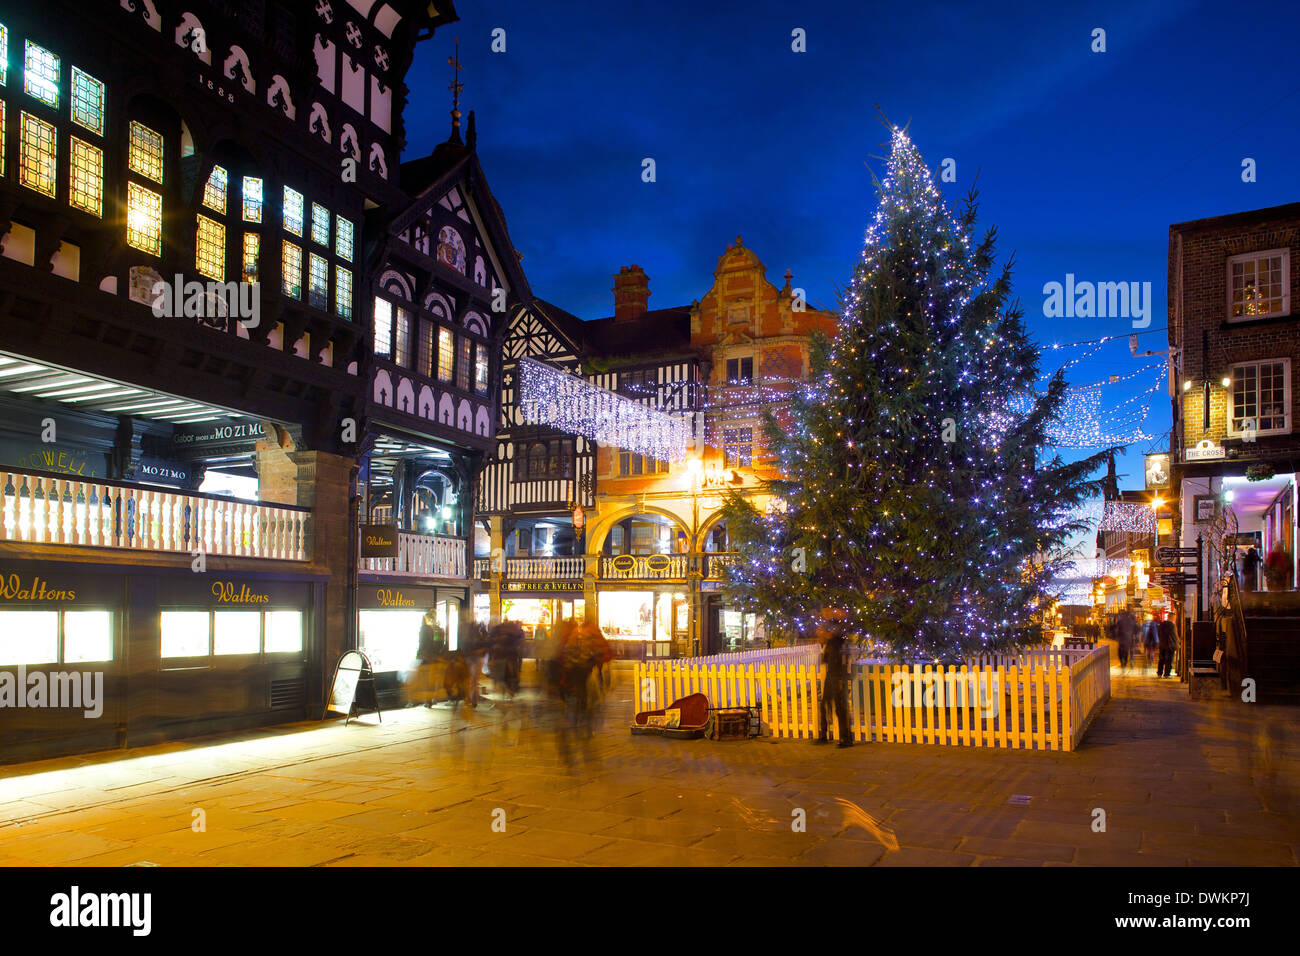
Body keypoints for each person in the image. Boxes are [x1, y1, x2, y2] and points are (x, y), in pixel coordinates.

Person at [814, 607, 853, 748]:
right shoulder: (833, 630)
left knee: (839, 707)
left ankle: (846, 738)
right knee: (824, 704)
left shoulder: (841, 632)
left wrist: (825, 634)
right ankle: (823, 735)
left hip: (837, 673)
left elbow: (833, 635)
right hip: (831, 672)